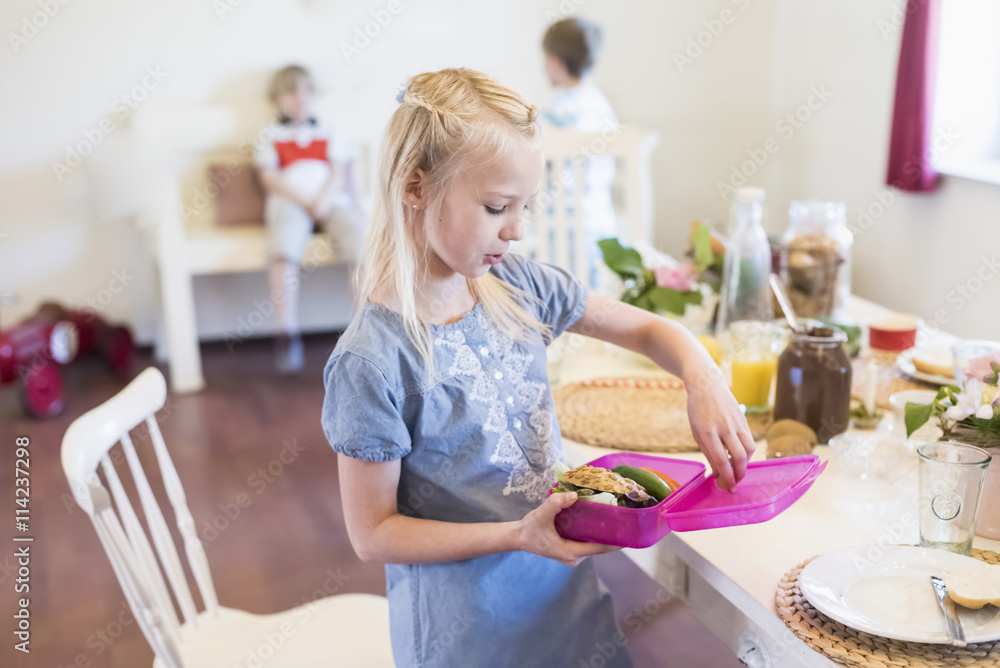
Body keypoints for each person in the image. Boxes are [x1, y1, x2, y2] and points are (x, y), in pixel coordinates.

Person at [321, 68, 754, 668]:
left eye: (525, 206)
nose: (518, 229)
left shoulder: (514, 284)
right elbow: (374, 534)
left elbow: (652, 328)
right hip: (469, 635)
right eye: (498, 207)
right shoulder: (373, 360)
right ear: (415, 187)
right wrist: (517, 535)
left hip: (567, 606)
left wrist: (701, 376)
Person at [255, 65, 362, 372]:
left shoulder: (329, 131)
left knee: (361, 242)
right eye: (290, 92)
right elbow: (269, 177)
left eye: (305, 91)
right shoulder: (270, 135)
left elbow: (339, 172)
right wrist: (304, 201)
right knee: (283, 250)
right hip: (291, 202)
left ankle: (364, 325)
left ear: (313, 95)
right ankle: (286, 331)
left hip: (329, 200)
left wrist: (323, 200)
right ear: (277, 99)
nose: (299, 98)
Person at [541, 18, 619, 286]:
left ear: (555, 63)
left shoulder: (553, 109)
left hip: (556, 236)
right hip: (601, 228)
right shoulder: (602, 106)